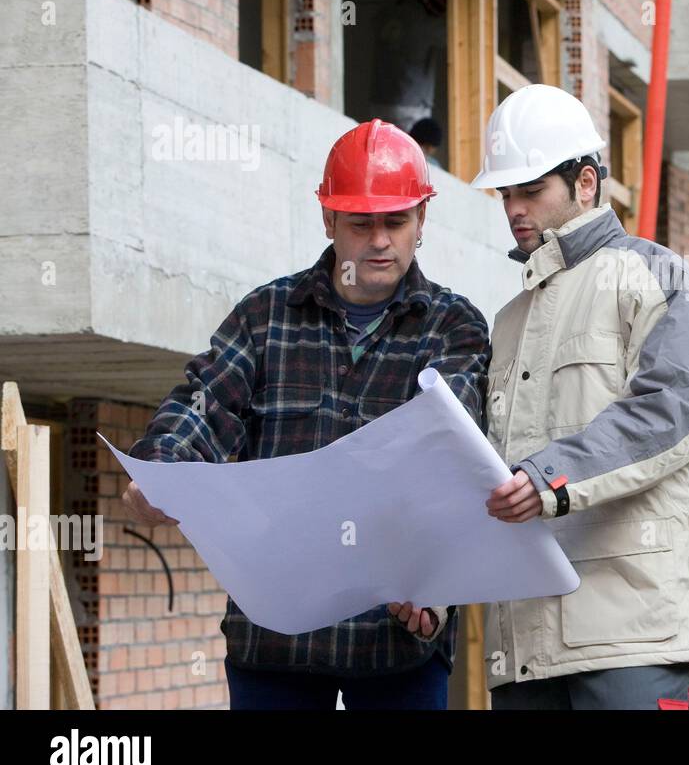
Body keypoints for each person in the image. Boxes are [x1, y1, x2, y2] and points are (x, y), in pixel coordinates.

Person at [124, 119, 490, 710]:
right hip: (276, 640)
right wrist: (162, 468)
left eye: (396, 221)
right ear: (328, 220)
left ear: (422, 219)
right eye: (360, 223)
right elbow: (205, 400)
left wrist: (435, 585)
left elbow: (453, 447)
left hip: (394, 639)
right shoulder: (266, 316)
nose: (380, 241)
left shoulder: (453, 326)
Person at [474, 84, 689, 709]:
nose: (515, 208)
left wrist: (548, 478)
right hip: (526, 644)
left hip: (634, 631)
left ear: (586, 183)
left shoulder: (660, 276)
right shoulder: (510, 321)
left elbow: (671, 410)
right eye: (506, 194)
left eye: (531, 190)